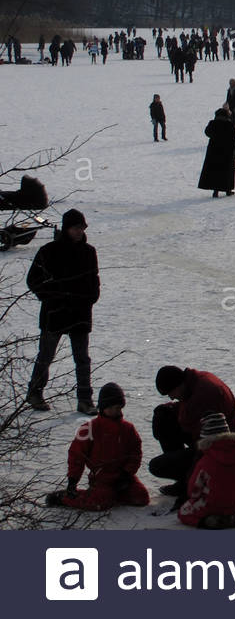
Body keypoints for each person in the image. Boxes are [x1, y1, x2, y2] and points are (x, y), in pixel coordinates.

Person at [25, 209, 99, 414]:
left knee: (82, 358)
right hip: (54, 313)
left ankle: (85, 399)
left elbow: (94, 281)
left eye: (81, 228)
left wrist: (90, 299)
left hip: (80, 314)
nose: (79, 231)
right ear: (67, 228)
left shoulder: (89, 252)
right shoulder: (48, 251)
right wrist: (52, 298)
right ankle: (35, 392)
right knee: (46, 356)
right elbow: (33, 280)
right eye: (76, 228)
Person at [45, 382, 150, 511]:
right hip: (102, 478)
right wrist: (73, 481)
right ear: (102, 408)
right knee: (98, 503)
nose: (114, 411)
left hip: (123, 476)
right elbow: (76, 455)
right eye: (110, 408)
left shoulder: (128, 428)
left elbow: (135, 453)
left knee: (141, 497)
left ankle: (112, 495)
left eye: (117, 407)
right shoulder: (89, 428)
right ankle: (65, 497)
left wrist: (127, 474)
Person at [149, 364, 235, 501]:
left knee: (157, 466)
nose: (171, 398)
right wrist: (163, 412)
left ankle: (190, 481)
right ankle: (187, 479)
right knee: (164, 416)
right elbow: (187, 412)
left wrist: (189, 490)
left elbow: (205, 448)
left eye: (170, 393)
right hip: (212, 438)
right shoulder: (194, 383)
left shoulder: (204, 395)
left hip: (225, 451)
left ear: (178, 385)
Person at [176, 412, 235, 529]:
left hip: (209, 506)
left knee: (183, 513)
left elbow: (193, 491)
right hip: (233, 504)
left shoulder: (205, 462)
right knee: (227, 508)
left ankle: (208, 521)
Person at [198, 108, 235, 198]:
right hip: (227, 151)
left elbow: (207, 132)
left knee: (215, 171)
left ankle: (215, 191)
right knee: (227, 171)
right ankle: (228, 190)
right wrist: (234, 147)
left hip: (214, 151)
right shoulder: (230, 124)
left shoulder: (212, 123)